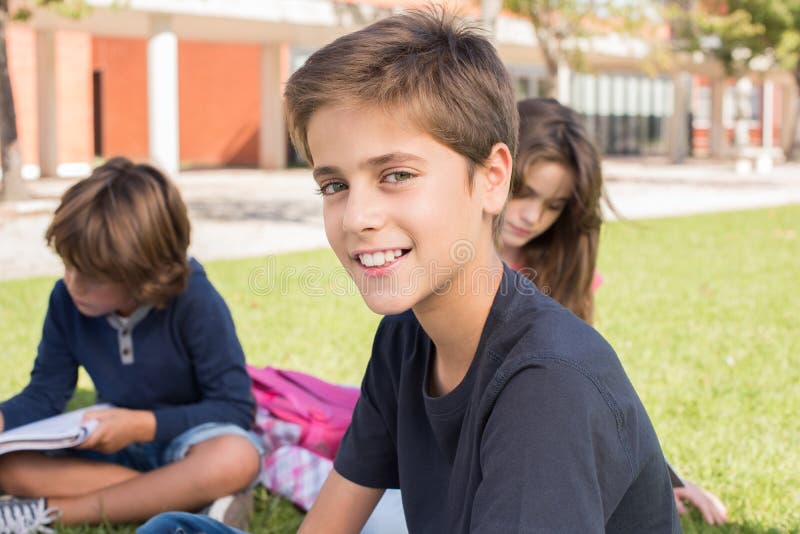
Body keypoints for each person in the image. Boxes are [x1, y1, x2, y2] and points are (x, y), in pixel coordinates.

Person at [141, 9, 679, 533]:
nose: (356, 217)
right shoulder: (404, 338)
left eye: (396, 174)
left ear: (492, 179)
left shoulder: (546, 387)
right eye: (334, 185)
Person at [0, 157, 264, 532]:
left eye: (92, 277)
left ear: (145, 273)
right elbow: (45, 393)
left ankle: (51, 511)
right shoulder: (65, 301)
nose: (72, 283)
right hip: (110, 448)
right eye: (67, 265)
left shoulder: (195, 300)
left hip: (188, 440)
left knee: (237, 458)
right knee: (10, 466)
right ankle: (189, 497)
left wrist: (141, 425)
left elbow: (234, 407)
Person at [500, 97, 728, 526]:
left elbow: (589, 389)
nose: (532, 216)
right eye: (523, 192)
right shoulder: (452, 264)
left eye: (554, 205)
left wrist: (661, 474)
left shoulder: (561, 272)